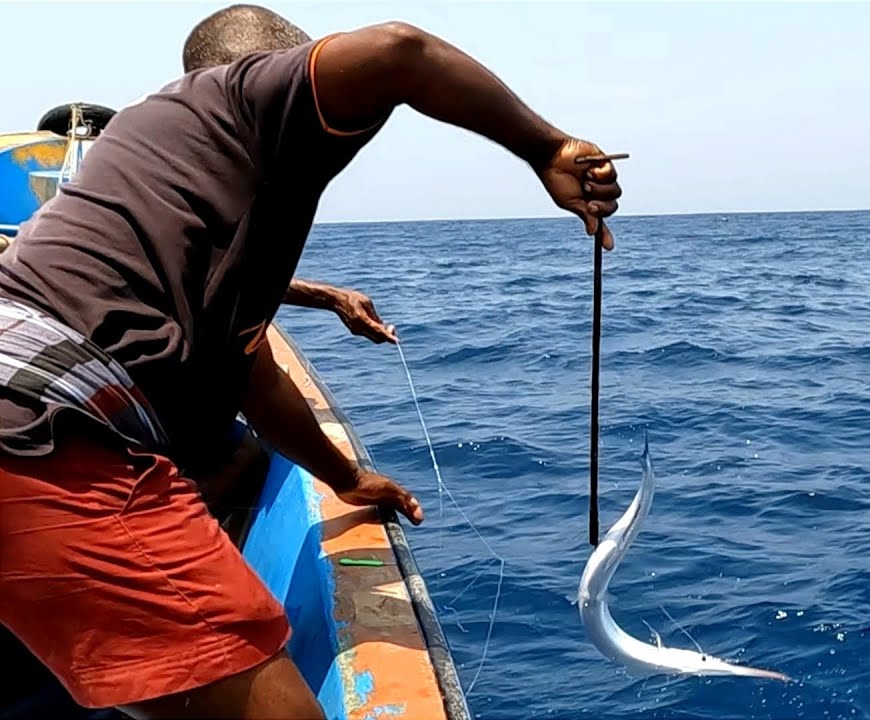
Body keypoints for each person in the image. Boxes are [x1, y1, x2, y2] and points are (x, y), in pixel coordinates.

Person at [0, 4, 622, 719]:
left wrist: (347, 478)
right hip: (40, 428)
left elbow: (258, 382)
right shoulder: (245, 99)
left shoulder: (177, 173)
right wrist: (546, 147)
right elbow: (399, 51)